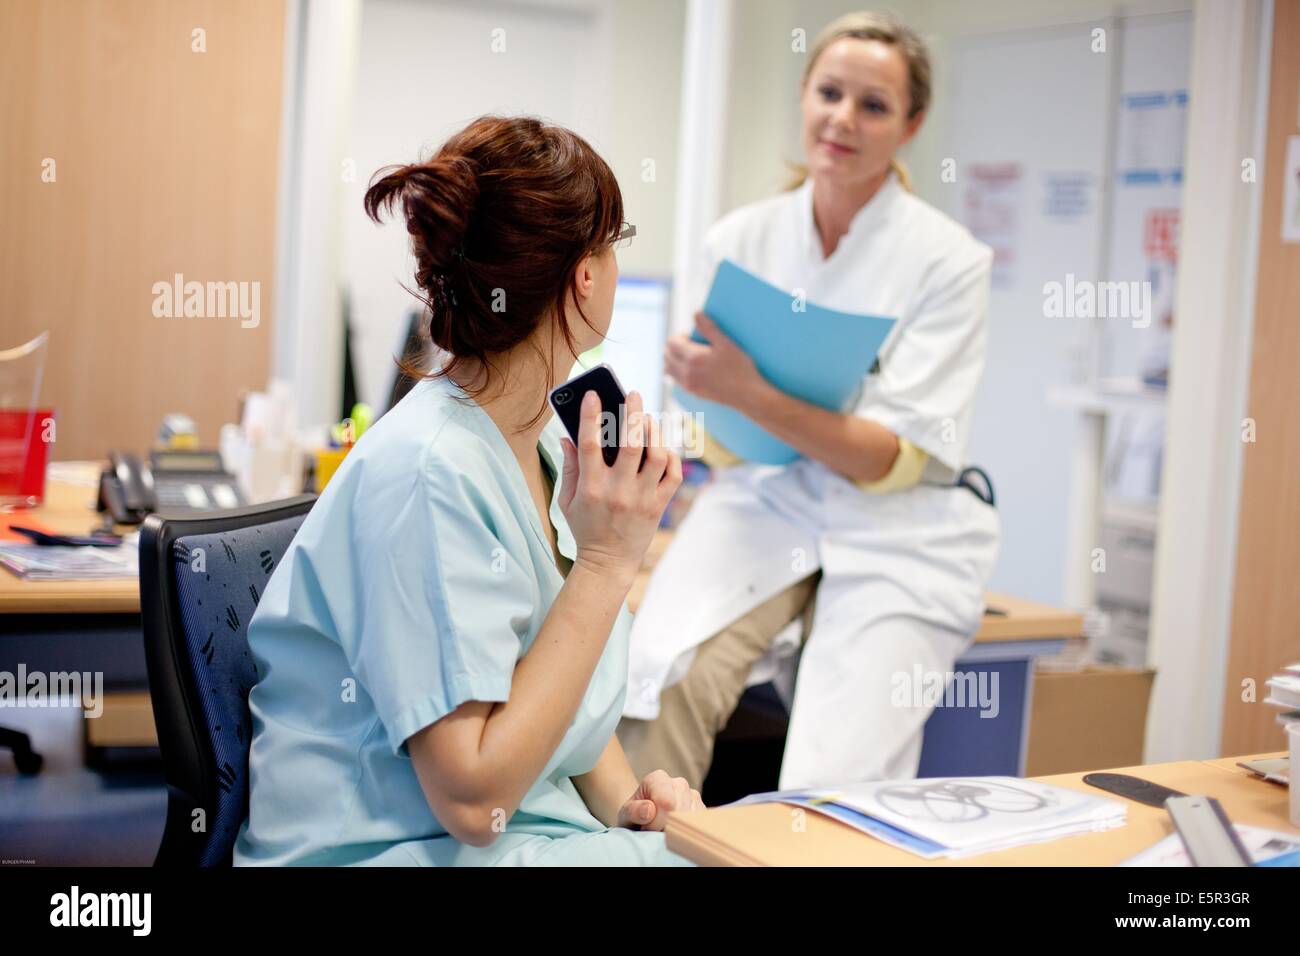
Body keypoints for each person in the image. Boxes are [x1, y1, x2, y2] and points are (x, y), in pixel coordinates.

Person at [234, 115, 700, 866]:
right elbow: (473, 801)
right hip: (385, 850)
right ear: (585, 275)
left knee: (714, 849)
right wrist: (608, 564)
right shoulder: (430, 473)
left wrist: (633, 812)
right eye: (615, 246)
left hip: (525, 834)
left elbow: (558, 693)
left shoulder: (546, 440)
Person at [618, 12, 1001, 792]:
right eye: (830, 93)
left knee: (835, 776)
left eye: (874, 105)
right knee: (656, 683)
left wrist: (749, 392)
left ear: (911, 125)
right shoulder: (739, 240)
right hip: (765, 499)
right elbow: (715, 431)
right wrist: (711, 398)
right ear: (804, 95)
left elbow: (890, 457)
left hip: (899, 530)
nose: (843, 119)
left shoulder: (948, 262)